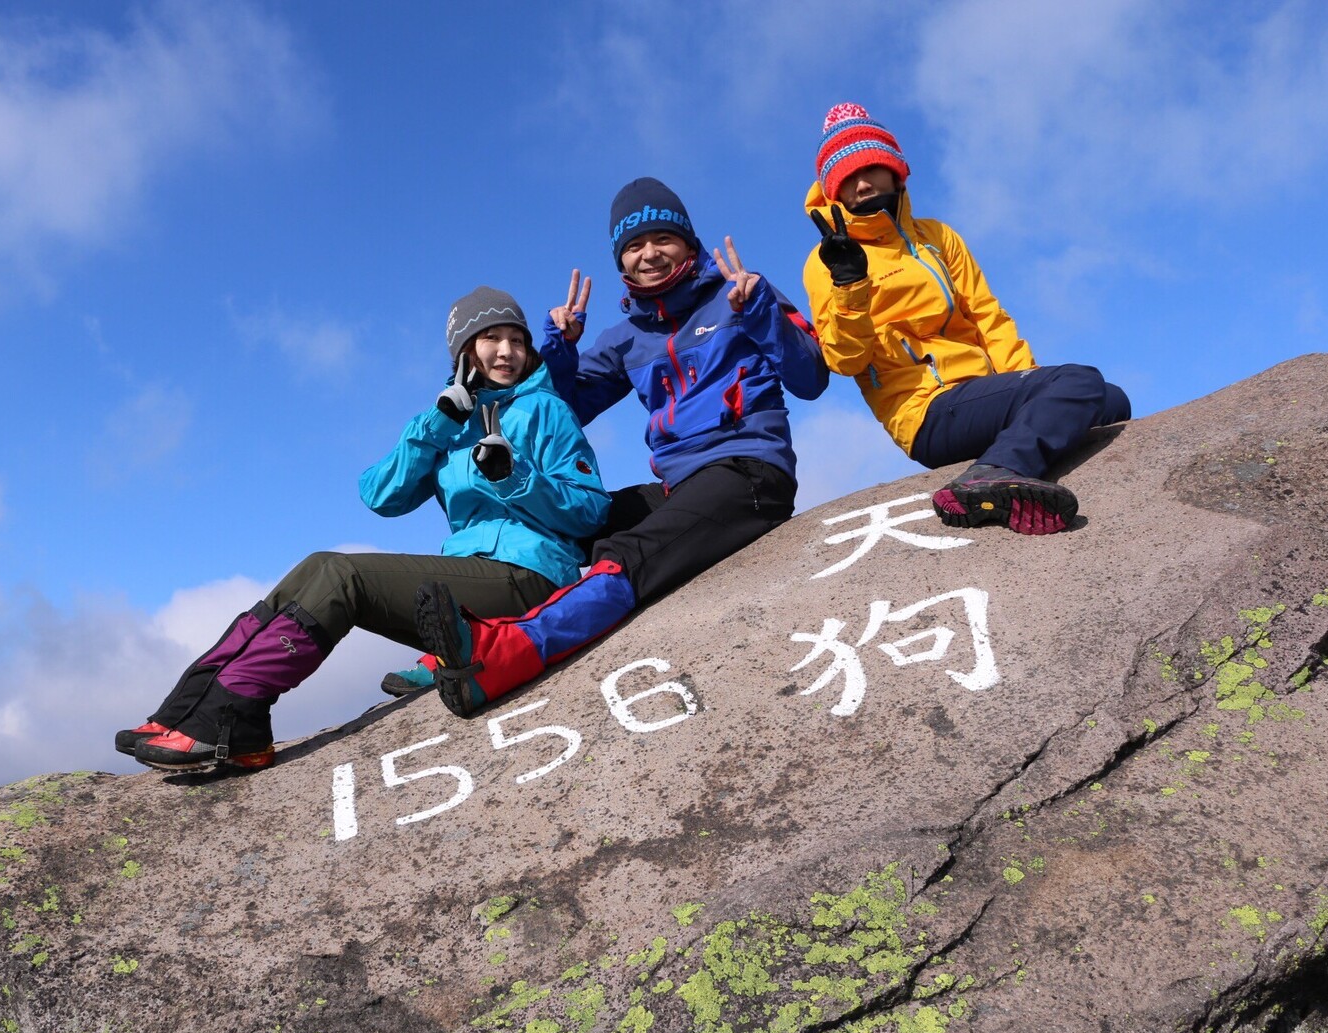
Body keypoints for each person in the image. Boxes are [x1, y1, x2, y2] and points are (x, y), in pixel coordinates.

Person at [118, 287, 609, 770]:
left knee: (342, 578)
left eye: (517, 340)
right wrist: (437, 425)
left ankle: (230, 718)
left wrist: (516, 478)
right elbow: (380, 495)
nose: (507, 351)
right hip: (468, 583)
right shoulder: (447, 419)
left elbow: (591, 511)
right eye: (491, 338)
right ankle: (188, 706)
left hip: (530, 576)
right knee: (318, 564)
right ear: (464, 350)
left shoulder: (547, 410)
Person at [409, 178, 827, 719]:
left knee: (629, 554)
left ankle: (506, 654)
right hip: (683, 485)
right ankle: (460, 635)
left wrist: (760, 312)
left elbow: (812, 376)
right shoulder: (625, 337)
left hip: (749, 470)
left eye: (662, 238)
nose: (649, 253)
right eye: (633, 246)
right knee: (565, 524)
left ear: (689, 243)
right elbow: (567, 411)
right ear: (621, 263)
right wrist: (559, 352)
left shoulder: (740, 295)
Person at [803, 103, 1131, 535]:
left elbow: (987, 316)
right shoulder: (827, 259)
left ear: (894, 169)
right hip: (926, 410)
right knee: (1079, 382)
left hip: (981, 392)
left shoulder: (938, 237)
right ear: (833, 191)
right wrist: (850, 287)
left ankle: (1008, 453)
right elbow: (845, 361)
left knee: (1111, 400)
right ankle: (994, 472)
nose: (861, 184)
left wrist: (1029, 384)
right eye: (846, 179)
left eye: (869, 168)